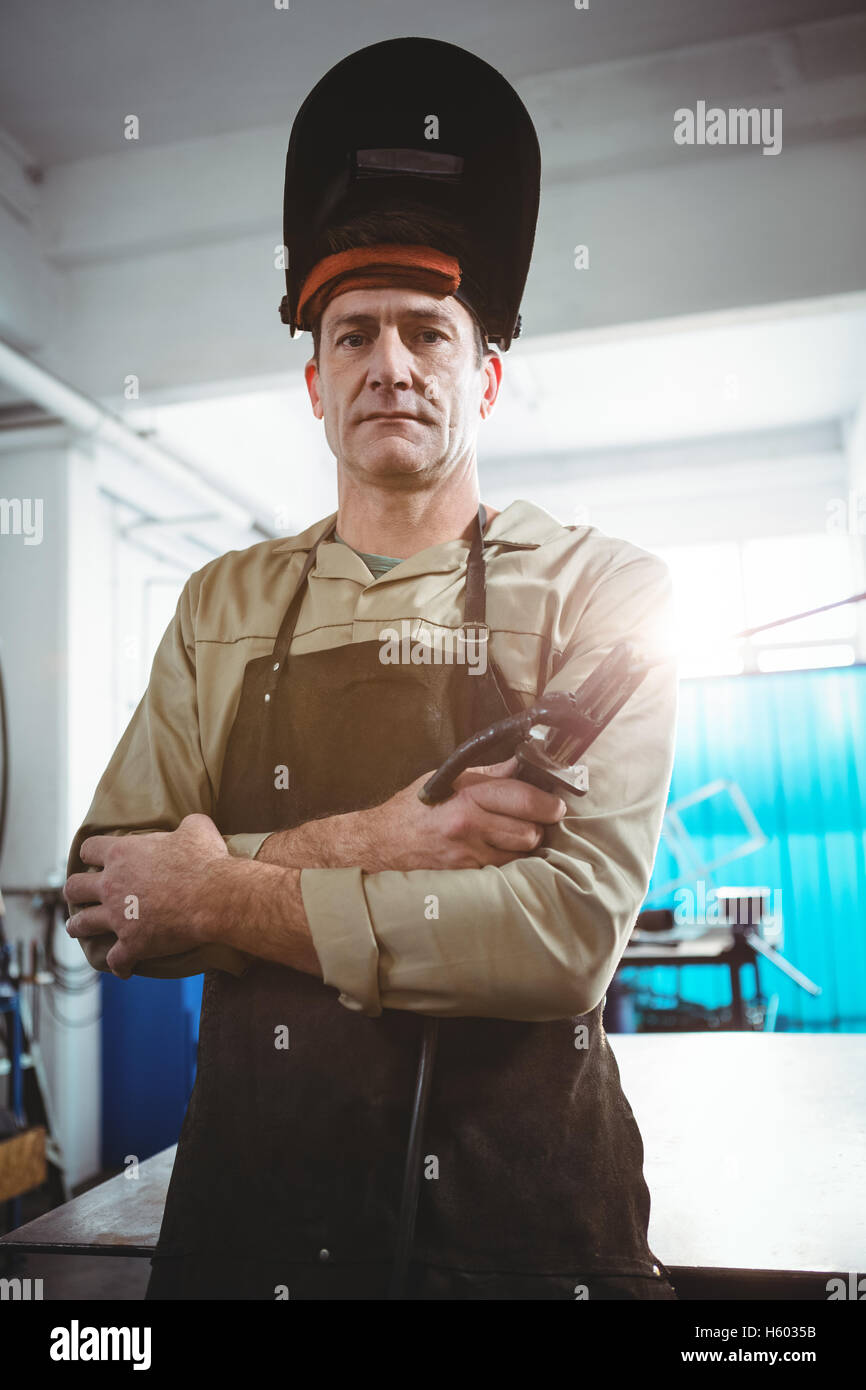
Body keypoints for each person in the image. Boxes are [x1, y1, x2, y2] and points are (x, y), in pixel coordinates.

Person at [64, 39, 679, 1301]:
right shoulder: (221, 605)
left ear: (486, 375)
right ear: (314, 381)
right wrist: (390, 838)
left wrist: (222, 889)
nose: (387, 363)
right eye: (351, 335)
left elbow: (561, 941)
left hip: (526, 1241)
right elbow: (107, 904)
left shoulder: (599, 593)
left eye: (425, 333)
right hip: (254, 1241)